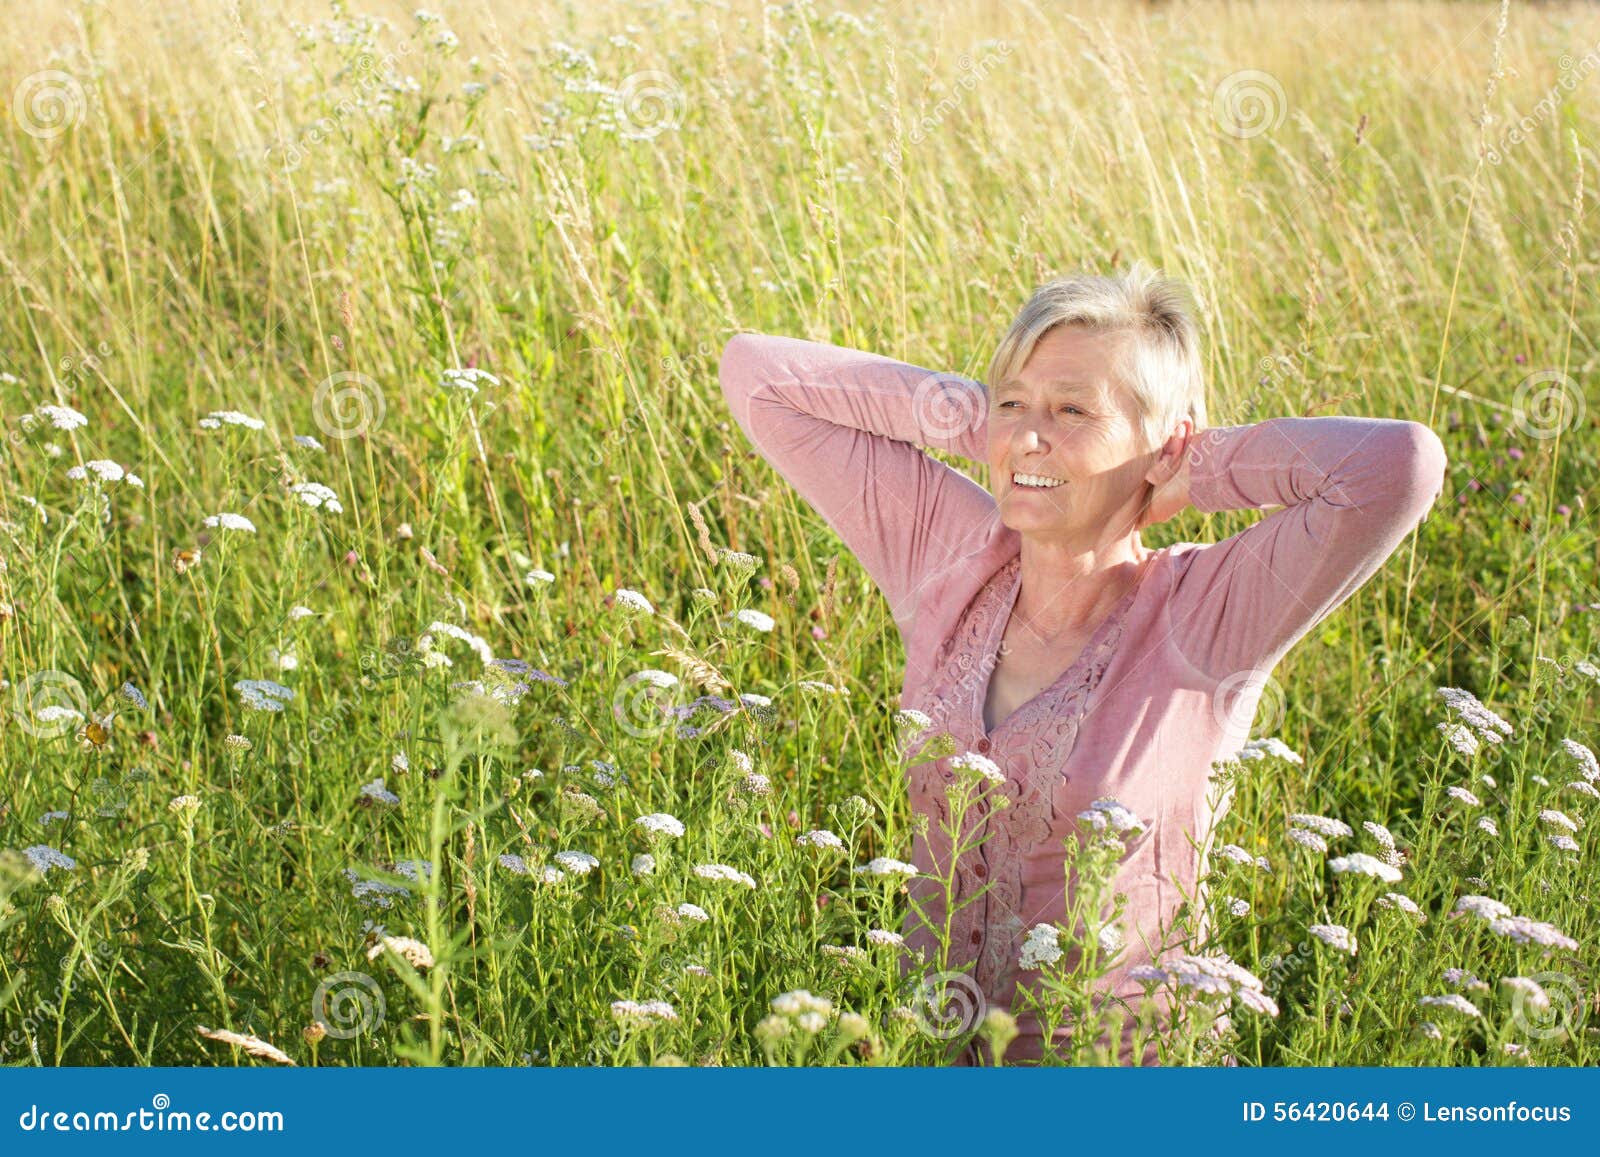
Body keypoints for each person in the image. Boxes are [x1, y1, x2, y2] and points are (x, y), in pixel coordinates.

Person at [717, 262, 1448, 1065]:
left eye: (1073, 409)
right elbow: (757, 376)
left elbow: (1397, 465)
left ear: (1165, 441)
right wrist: (994, 427)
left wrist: (1194, 466)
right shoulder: (948, 557)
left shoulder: (1206, 615)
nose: (1031, 433)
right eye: (1014, 401)